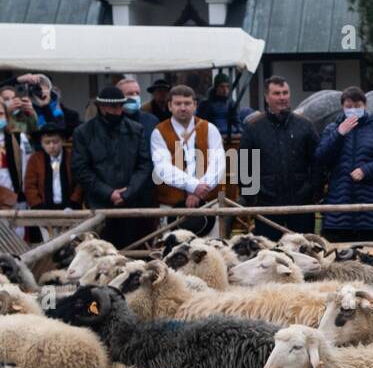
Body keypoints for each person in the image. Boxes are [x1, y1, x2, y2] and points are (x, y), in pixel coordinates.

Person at [238, 75, 321, 238]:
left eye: (285, 93)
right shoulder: (253, 127)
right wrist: (251, 199)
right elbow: (246, 165)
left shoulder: (305, 125)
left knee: (304, 253)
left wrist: (314, 191)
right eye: (277, 93)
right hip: (267, 204)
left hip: (301, 203)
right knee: (268, 254)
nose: (282, 97)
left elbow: (317, 161)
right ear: (267, 97)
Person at [72, 86, 155, 247]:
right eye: (113, 106)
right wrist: (108, 193)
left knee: (131, 254)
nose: (117, 110)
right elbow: (80, 169)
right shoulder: (84, 132)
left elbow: (144, 165)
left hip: (131, 204)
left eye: (119, 106)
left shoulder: (135, 130)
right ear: (102, 107)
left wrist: (129, 192)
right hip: (98, 205)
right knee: (101, 255)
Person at [314, 86, 373, 243]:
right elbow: (320, 157)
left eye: (357, 106)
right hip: (339, 206)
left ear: (365, 105)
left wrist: (366, 170)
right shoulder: (332, 128)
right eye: (349, 107)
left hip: (371, 208)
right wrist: (339, 134)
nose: (353, 110)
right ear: (342, 107)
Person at [149, 84, 225, 235]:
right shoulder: (159, 132)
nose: (183, 108)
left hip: (207, 205)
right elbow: (163, 168)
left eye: (187, 103)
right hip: (171, 206)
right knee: (172, 254)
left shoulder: (210, 129)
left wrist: (199, 191)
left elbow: (218, 163)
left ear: (195, 105)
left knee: (211, 254)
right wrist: (194, 185)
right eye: (178, 103)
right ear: (170, 105)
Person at [22, 124, 80, 242]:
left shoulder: (72, 157)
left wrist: (74, 202)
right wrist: (38, 206)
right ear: (41, 143)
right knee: (46, 243)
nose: (52, 146)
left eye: (55, 141)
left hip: (69, 208)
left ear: (63, 141)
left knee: (69, 242)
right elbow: (30, 185)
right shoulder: (35, 159)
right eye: (47, 143)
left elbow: (80, 183)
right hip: (43, 209)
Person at [15, 73, 80, 136]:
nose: (38, 90)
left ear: (51, 90)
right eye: (35, 87)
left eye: (41, 85)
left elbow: (58, 136)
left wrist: (45, 107)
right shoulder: (23, 112)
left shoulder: (70, 116)